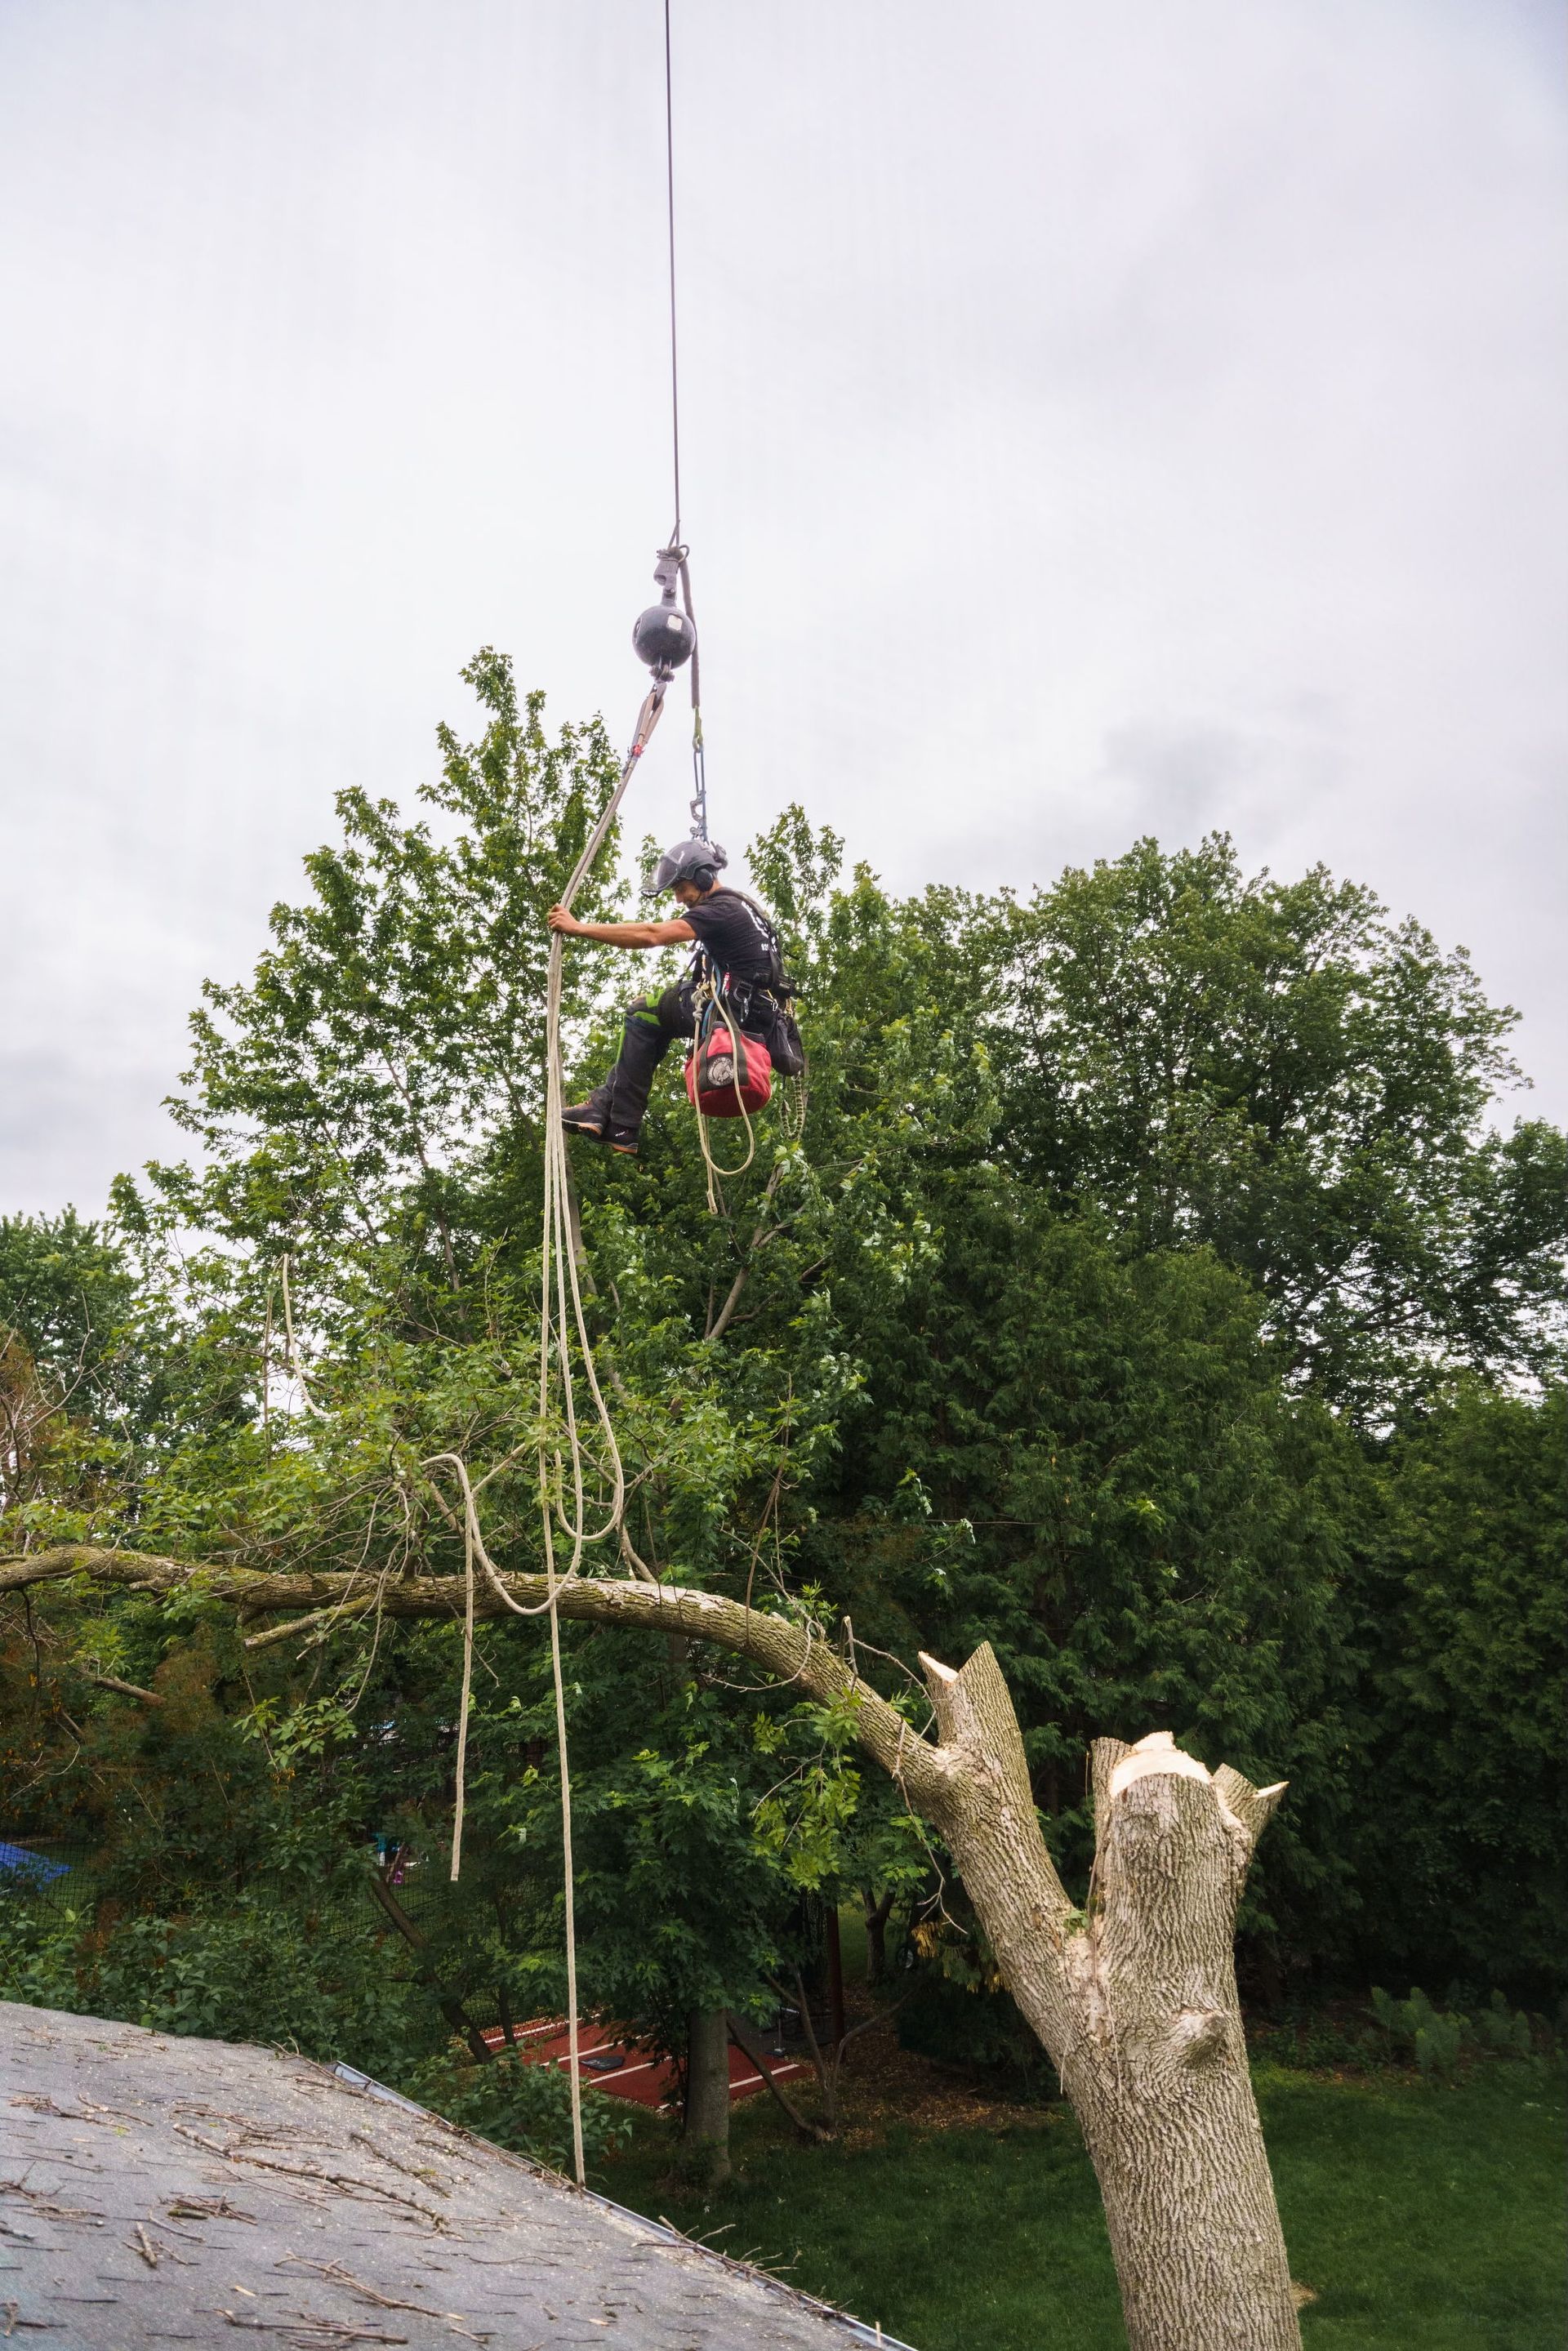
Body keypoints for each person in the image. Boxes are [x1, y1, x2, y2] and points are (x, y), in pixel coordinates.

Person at [546, 839, 787, 1155]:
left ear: (703, 877)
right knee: (653, 1025)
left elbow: (652, 934)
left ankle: (620, 1123)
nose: (679, 899)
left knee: (641, 1011)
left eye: (681, 888)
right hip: (752, 1011)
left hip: (729, 1009)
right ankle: (609, 1111)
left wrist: (578, 928)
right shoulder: (743, 906)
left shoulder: (721, 909)